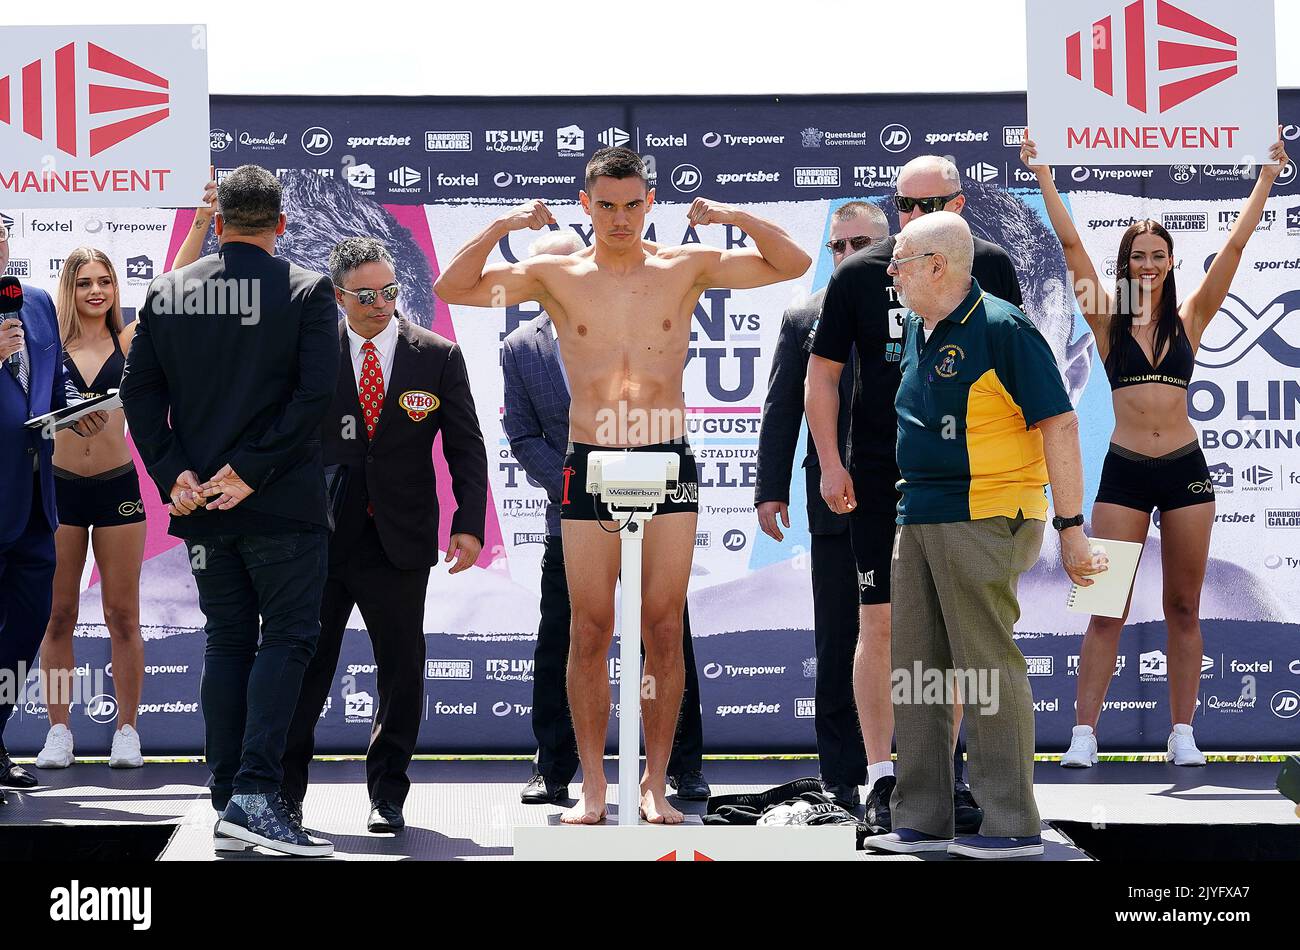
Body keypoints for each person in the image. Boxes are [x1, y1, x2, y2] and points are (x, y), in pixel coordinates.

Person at [434, 146, 810, 824]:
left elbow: (794, 263)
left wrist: (729, 215)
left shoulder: (685, 266)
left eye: (633, 204)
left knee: (664, 629)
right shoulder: (555, 272)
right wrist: (500, 229)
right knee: (589, 629)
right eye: (606, 205)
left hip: (665, 454)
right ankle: (595, 788)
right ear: (586, 205)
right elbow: (454, 289)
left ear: (650, 203)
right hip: (593, 462)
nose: (620, 219)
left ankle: (655, 784)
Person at [1021, 130, 1291, 768]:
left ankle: (1182, 733)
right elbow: (1069, 246)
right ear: (1126, 262)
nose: (1148, 263)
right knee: (1103, 606)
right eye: (1138, 254)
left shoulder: (1192, 317)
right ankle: (1084, 735)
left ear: (1170, 262)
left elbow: (1235, 245)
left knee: (1182, 604)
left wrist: (1265, 179)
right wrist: (1044, 176)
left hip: (1185, 472)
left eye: (1158, 255)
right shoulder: (1105, 317)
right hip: (1125, 473)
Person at [860, 212, 1101, 859]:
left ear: (938, 265)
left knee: (985, 670)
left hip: (988, 513)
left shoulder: (1004, 328)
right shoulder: (918, 326)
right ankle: (923, 818)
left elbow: (1061, 424)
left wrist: (1072, 528)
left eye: (901, 259)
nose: (892, 271)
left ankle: (1012, 825)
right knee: (917, 672)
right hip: (920, 518)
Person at [120, 164, 338, 857]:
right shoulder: (306, 289)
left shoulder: (166, 291)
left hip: (204, 509)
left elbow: (138, 396)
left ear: (218, 224)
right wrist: (248, 471)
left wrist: (173, 473)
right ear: (281, 225)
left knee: (229, 638)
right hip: (280, 506)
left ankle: (229, 797)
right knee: (285, 639)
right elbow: (316, 400)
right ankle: (248, 797)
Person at [805, 156, 1022, 832]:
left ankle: (940, 773)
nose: (916, 220)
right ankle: (880, 778)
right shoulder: (859, 273)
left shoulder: (990, 266)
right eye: (905, 206)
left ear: (958, 206)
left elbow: (1019, 373)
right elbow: (821, 377)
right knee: (881, 624)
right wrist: (829, 464)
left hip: (965, 481)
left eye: (931, 207)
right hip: (876, 476)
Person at [279, 237, 488, 834]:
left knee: (401, 668)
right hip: (318, 539)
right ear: (338, 296)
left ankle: (387, 793)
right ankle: (286, 795)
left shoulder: (437, 355)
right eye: (365, 295)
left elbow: (466, 447)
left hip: (401, 539)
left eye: (390, 292)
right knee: (305, 667)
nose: (379, 304)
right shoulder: (310, 350)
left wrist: (468, 523)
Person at [503, 229, 710, 807]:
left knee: (666, 633)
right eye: (541, 277)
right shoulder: (521, 346)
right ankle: (557, 770)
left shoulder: (638, 316)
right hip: (571, 509)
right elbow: (520, 432)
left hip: (657, 493)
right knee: (570, 637)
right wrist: (574, 483)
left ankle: (677, 770)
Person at [754, 201, 889, 808]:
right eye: (837, 246)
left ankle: (929, 771)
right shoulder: (805, 314)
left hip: (909, 497)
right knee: (838, 640)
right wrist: (770, 488)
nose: (846, 255)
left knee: (917, 644)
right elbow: (782, 407)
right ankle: (840, 776)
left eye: (859, 243)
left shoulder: (913, 307)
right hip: (833, 497)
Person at [34, 249, 147, 771]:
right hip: (59, 489)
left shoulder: (129, 340)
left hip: (116, 486)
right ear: (69, 290)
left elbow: (169, 285)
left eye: (105, 281)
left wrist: (197, 225)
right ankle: (59, 730)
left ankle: (127, 730)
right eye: (84, 284)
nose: (96, 292)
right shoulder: (47, 344)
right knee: (58, 616)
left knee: (122, 615)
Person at [0, 214, 101, 795]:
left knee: (27, 628)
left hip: (39, 503)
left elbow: (53, 376)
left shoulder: (34, 301)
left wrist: (75, 407)